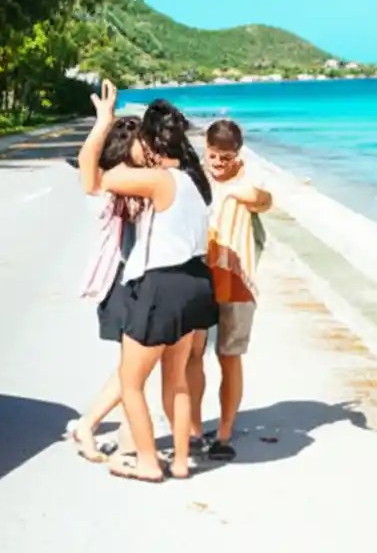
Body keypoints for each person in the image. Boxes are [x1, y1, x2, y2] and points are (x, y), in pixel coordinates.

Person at [79, 82, 218, 482]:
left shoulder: (158, 180)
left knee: (131, 381)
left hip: (163, 284)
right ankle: (179, 461)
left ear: (151, 143)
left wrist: (103, 123)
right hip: (197, 282)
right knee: (176, 380)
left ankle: (147, 462)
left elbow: (93, 178)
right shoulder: (193, 180)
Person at [188, 119, 272, 461]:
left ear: (237, 154)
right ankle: (193, 430)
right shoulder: (195, 176)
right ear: (205, 148)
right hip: (198, 279)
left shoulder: (248, 176)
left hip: (238, 283)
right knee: (192, 356)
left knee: (229, 357)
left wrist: (241, 191)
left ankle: (224, 433)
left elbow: (263, 200)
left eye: (226, 157)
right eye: (213, 155)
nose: (218, 163)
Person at [69, 115, 147, 463]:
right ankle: (90, 426)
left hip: (140, 281)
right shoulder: (106, 190)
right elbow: (87, 164)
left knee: (134, 366)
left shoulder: (143, 185)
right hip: (120, 283)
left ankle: (128, 439)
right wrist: (103, 121)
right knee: (134, 367)